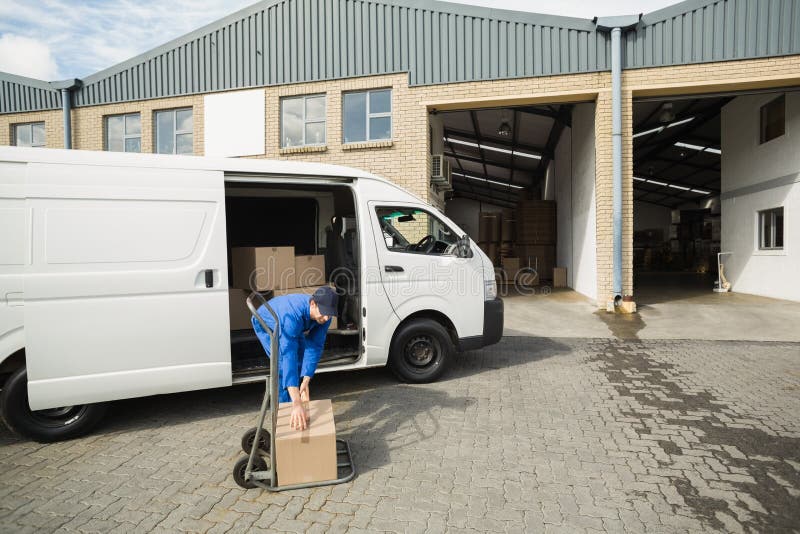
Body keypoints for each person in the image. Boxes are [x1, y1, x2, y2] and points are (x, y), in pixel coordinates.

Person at [252, 286, 338, 430]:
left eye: (330, 315)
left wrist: (306, 379)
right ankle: (286, 415)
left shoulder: (325, 315)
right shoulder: (292, 315)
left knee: (301, 358)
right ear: (312, 304)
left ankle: (296, 400)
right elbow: (288, 356)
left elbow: (315, 346)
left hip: (291, 325)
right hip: (266, 323)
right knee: (281, 365)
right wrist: (297, 402)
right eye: (324, 314)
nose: (326, 318)